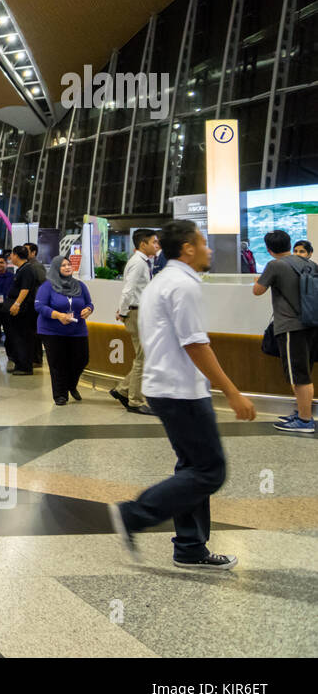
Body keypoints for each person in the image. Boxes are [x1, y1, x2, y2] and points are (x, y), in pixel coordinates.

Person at [109, 220, 256, 572]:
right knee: (210, 471)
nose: (208, 249)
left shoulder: (164, 280)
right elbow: (195, 344)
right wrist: (232, 392)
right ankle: (134, 514)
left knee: (193, 468)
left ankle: (190, 547)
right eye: (203, 243)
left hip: (167, 389)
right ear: (188, 248)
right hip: (180, 392)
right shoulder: (181, 285)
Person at [252, 229, 318, 433]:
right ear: (289, 244)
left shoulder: (275, 265)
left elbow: (257, 290)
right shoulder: (310, 264)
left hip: (291, 326)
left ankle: (305, 421)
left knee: (298, 375)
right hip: (312, 324)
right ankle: (302, 412)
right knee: (304, 370)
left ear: (269, 249)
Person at [35, 256, 94, 405]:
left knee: (81, 359)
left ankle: (71, 385)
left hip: (77, 329)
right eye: (63, 266)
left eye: (69, 264)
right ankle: (60, 394)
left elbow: (89, 303)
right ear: (56, 269)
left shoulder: (80, 286)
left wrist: (88, 309)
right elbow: (40, 306)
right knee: (58, 363)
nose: (67, 267)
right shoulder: (47, 286)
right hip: (52, 330)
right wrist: (58, 315)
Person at [113, 230, 159, 414]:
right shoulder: (138, 264)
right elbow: (128, 290)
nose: (157, 245)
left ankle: (123, 390)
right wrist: (123, 312)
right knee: (143, 357)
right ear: (143, 244)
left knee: (144, 356)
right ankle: (135, 401)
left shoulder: (143, 262)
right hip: (136, 313)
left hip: (140, 312)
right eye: (154, 242)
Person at [5, 246, 37, 376]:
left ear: (16, 255)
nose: (10, 257)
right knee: (16, 337)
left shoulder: (27, 270)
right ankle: (19, 364)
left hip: (24, 310)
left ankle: (25, 366)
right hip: (18, 309)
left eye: (11, 255)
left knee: (23, 338)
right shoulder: (21, 269)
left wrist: (17, 304)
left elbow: (25, 289)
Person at [25, 242, 48, 366]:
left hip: (35, 304)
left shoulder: (36, 266)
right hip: (29, 304)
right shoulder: (27, 265)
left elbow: (43, 283)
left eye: (26, 250)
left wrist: (38, 301)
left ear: (33, 253)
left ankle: (37, 359)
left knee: (35, 332)